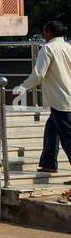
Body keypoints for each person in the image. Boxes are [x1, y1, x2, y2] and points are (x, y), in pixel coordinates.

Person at [18, 20, 71, 178]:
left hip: (60, 100)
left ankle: (49, 164)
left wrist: (22, 87)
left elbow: (38, 75)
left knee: (68, 138)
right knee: (51, 130)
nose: (43, 35)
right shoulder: (68, 47)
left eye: (44, 32)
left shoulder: (48, 48)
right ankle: (48, 164)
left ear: (49, 32)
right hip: (65, 98)